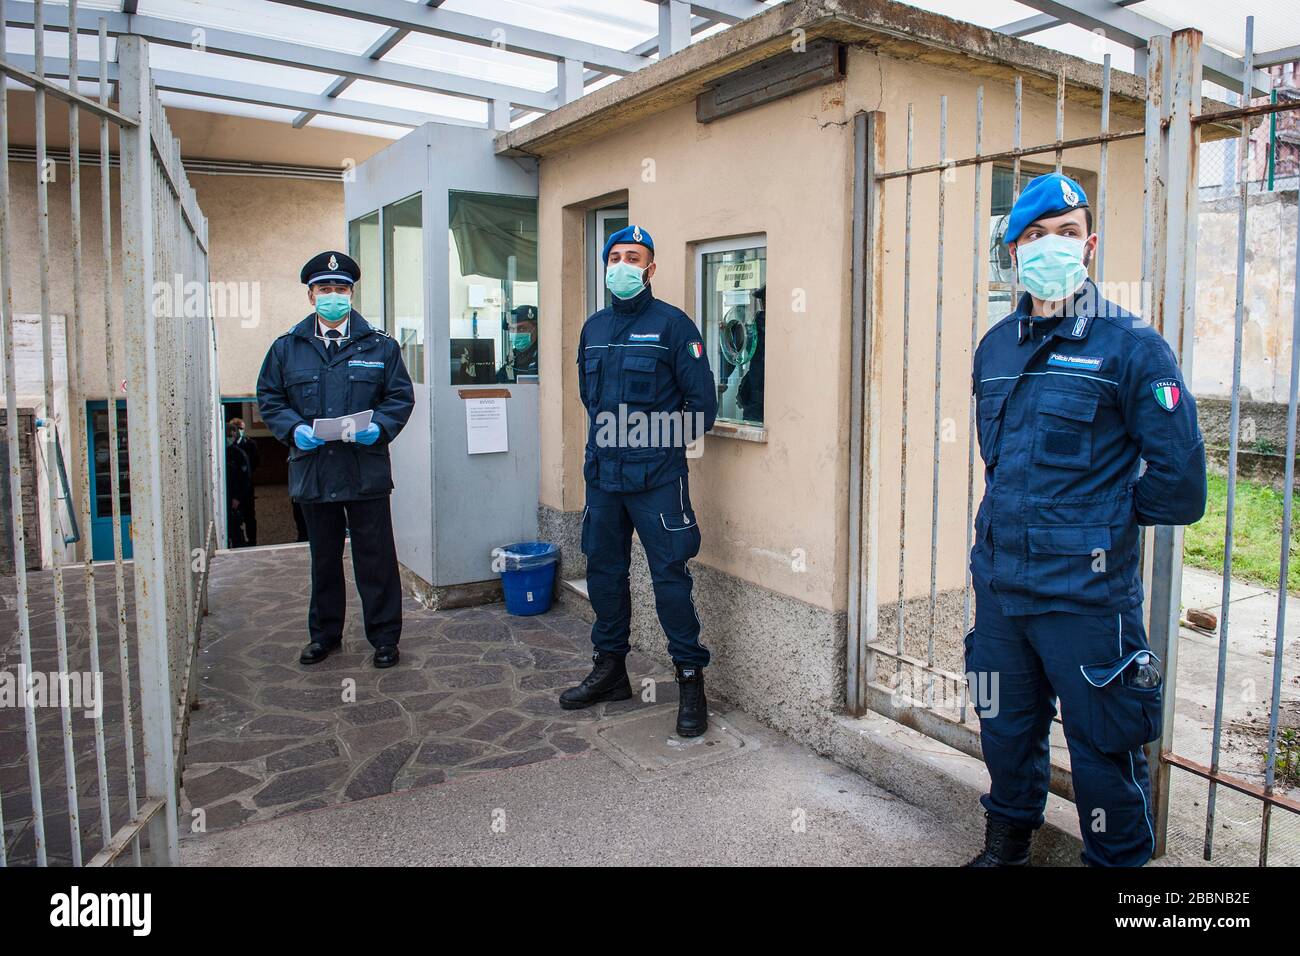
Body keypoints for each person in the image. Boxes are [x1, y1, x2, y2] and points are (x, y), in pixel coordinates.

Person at [966, 173, 1206, 867]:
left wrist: (1099, 522)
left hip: (1087, 599)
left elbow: (1181, 485)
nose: (1050, 247)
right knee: (1005, 729)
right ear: (1013, 251)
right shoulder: (995, 347)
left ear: (1090, 245)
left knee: (1104, 748)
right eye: (1034, 236)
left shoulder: (1132, 346)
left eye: (1066, 233)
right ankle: (1006, 846)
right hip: (1002, 585)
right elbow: (999, 461)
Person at [562, 224, 718, 737]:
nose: (623, 265)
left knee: (670, 579)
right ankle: (610, 672)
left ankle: (691, 680)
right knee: (604, 574)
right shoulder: (594, 328)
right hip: (604, 477)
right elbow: (592, 401)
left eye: (634, 257)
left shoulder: (674, 327)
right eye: (616, 256)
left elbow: (702, 411)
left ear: (650, 269)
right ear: (606, 265)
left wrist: (644, 434)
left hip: (656, 479)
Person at [256, 251, 415, 669]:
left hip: (365, 469)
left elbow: (399, 397)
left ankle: (384, 638)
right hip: (315, 470)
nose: (333, 296)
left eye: (340, 289)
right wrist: (293, 430)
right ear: (311, 296)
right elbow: (270, 398)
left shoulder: (380, 346)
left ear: (351, 294)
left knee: (375, 558)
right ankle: (324, 635)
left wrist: (379, 427)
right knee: (323, 559)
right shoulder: (287, 348)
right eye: (324, 289)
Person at [228, 417, 261, 545]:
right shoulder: (230, 446)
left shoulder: (250, 443)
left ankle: (252, 541)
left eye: (241, 428)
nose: (239, 431)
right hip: (234, 485)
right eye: (237, 429)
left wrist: (247, 470)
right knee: (235, 515)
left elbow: (256, 461)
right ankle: (238, 541)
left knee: (250, 515)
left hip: (247, 484)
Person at [224, 421, 253, 548]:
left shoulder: (238, 453)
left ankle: (242, 543)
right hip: (229, 492)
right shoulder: (226, 452)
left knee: (240, 520)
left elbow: (245, 476)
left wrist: (237, 497)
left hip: (237, 494)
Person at [497, 305, 539, 382]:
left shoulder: (543, 355)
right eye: (512, 329)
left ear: (536, 329)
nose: (516, 334)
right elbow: (503, 379)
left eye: (522, 328)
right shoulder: (513, 355)